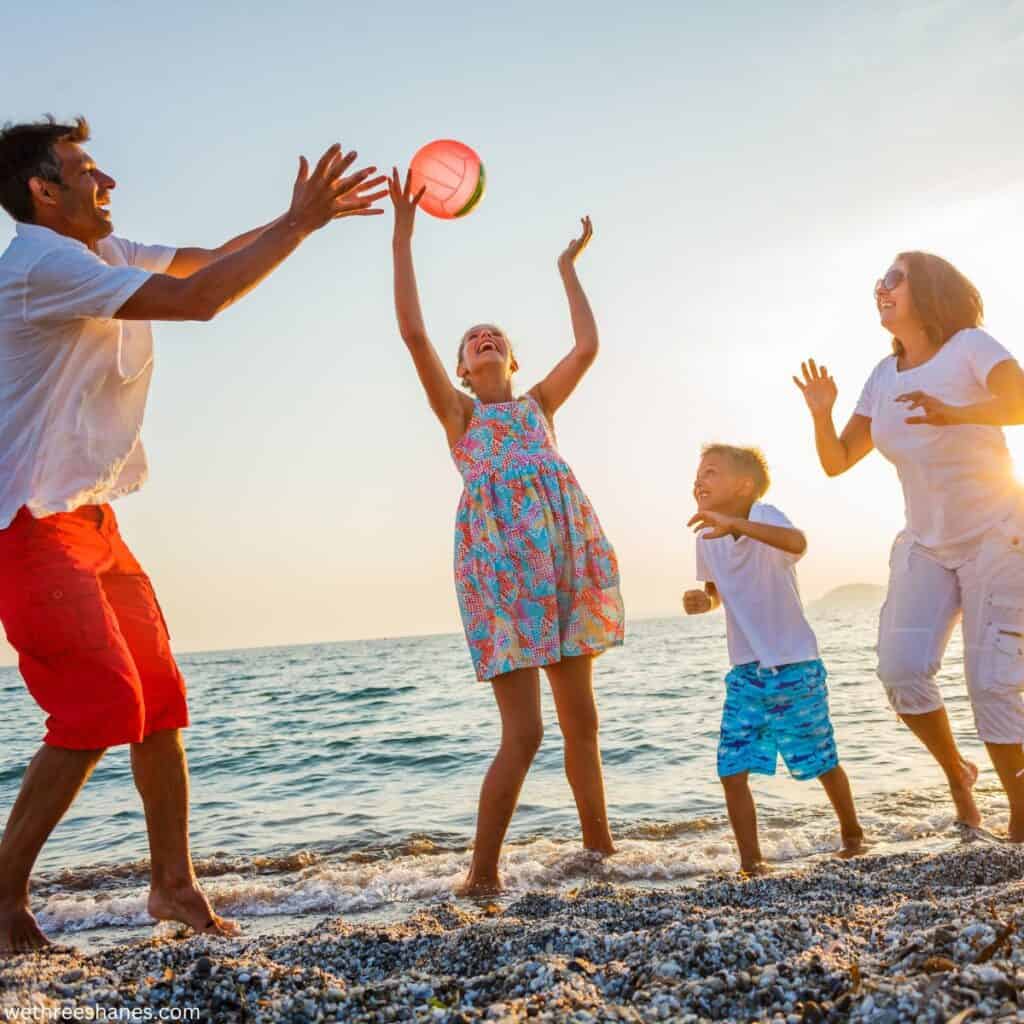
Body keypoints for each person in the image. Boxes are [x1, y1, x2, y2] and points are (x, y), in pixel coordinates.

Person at [0, 115, 386, 952]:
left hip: (93, 520)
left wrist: (298, 222)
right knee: (100, 705)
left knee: (158, 703)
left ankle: (172, 888)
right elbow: (199, 302)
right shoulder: (39, 265)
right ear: (43, 190)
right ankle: (1, 899)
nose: (108, 185)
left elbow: (206, 261)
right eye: (88, 172)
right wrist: (299, 224)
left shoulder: (102, 253)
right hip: (29, 526)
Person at [387, 168, 624, 894]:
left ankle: (600, 854)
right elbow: (412, 330)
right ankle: (481, 872)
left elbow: (587, 346)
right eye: (473, 341)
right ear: (462, 368)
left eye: (496, 337)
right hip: (501, 576)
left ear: (513, 360)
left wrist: (566, 269)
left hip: (563, 563)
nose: (484, 339)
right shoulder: (460, 417)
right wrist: (404, 234)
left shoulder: (540, 405)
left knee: (581, 723)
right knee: (525, 733)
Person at [794, 252, 1024, 839]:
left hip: (1000, 533)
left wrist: (954, 414)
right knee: (900, 672)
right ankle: (958, 775)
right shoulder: (883, 374)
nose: (881, 287)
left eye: (894, 278)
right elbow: (838, 460)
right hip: (926, 542)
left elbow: (1018, 401)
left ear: (928, 291)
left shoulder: (972, 347)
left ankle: (1021, 821)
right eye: (879, 280)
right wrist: (822, 415)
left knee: (991, 683)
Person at [684, 444, 864, 873]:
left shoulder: (765, 517)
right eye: (697, 474)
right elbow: (716, 594)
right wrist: (701, 601)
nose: (698, 481)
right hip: (745, 669)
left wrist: (736, 524)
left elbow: (797, 541)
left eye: (710, 472)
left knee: (821, 757)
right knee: (732, 767)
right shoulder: (705, 538)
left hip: (794, 662)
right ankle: (752, 861)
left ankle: (853, 835)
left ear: (744, 485)